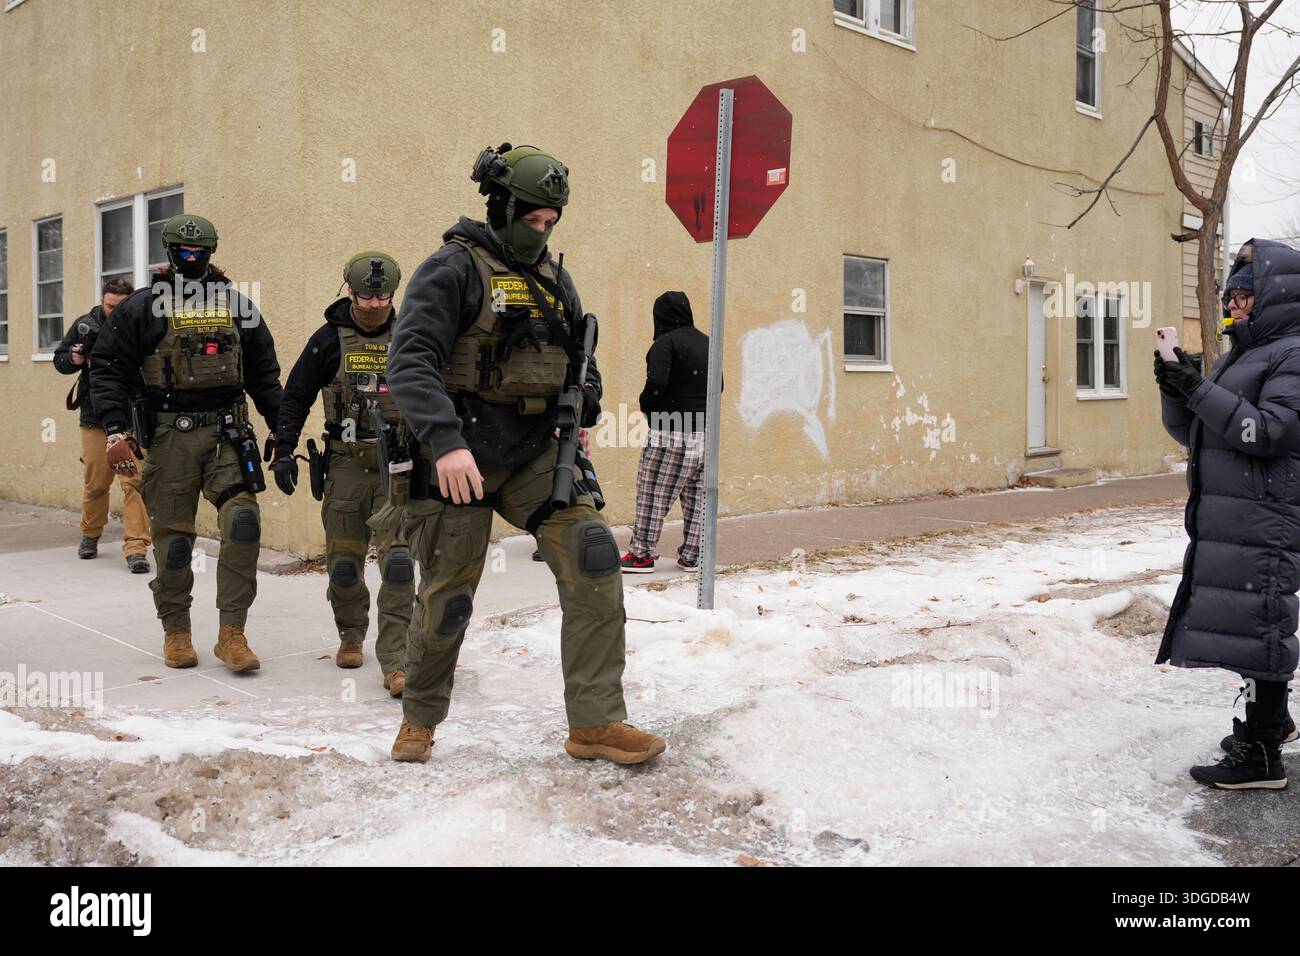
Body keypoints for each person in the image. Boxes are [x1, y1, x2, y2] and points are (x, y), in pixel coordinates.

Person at [385, 142, 665, 766]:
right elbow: (409, 363)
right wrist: (445, 441)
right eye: (531, 219)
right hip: (461, 452)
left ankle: (594, 723)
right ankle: (420, 718)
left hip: (537, 451)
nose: (540, 232)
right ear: (502, 205)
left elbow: (574, 364)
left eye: (551, 222)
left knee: (594, 555)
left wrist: (583, 408)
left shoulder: (555, 280)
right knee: (450, 594)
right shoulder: (451, 268)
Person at [90, 214, 283, 673]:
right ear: (170, 253)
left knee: (243, 524)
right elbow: (107, 368)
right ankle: (176, 630)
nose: (192, 259)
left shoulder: (239, 306)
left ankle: (231, 634)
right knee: (174, 543)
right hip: (169, 435)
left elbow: (265, 376)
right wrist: (116, 431)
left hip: (227, 433)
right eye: (184, 252)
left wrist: (283, 430)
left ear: (211, 254)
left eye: (200, 253)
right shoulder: (143, 307)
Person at [1155, 237, 1300, 790]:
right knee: (1249, 623)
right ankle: (1273, 722)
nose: (1233, 305)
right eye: (1231, 297)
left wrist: (1200, 391)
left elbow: (1267, 431)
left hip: (1267, 517)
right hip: (1235, 518)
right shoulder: (1245, 354)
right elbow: (1196, 432)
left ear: (1276, 297)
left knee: (1262, 622)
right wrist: (1179, 387)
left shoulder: (1291, 353)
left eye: (1245, 296)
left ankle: (1261, 757)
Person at [273, 252, 414, 697]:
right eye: (365, 296)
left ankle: (396, 660)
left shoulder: (414, 336)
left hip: (399, 468)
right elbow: (295, 395)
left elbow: (447, 393)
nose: (373, 305)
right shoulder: (328, 339)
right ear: (349, 292)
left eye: (382, 296)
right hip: (346, 467)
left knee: (397, 565)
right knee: (345, 566)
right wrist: (283, 449)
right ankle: (351, 634)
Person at [53, 278, 151, 572]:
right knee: (97, 483)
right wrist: (74, 357)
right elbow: (60, 361)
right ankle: (91, 533)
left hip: (133, 413)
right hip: (96, 416)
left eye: (121, 306)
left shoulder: (140, 324)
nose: (115, 311)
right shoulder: (86, 324)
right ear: (102, 301)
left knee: (134, 482)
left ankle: (136, 549)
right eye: (110, 306)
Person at [621, 291, 716, 574]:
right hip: (704, 433)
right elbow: (718, 386)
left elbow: (657, 381)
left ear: (660, 316)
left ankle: (641, 555)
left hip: (670, 430)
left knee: (653, 492)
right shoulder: (707, 342)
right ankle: (693, 556)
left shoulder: (666, 342)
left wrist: (647, 405)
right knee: (698, 497)